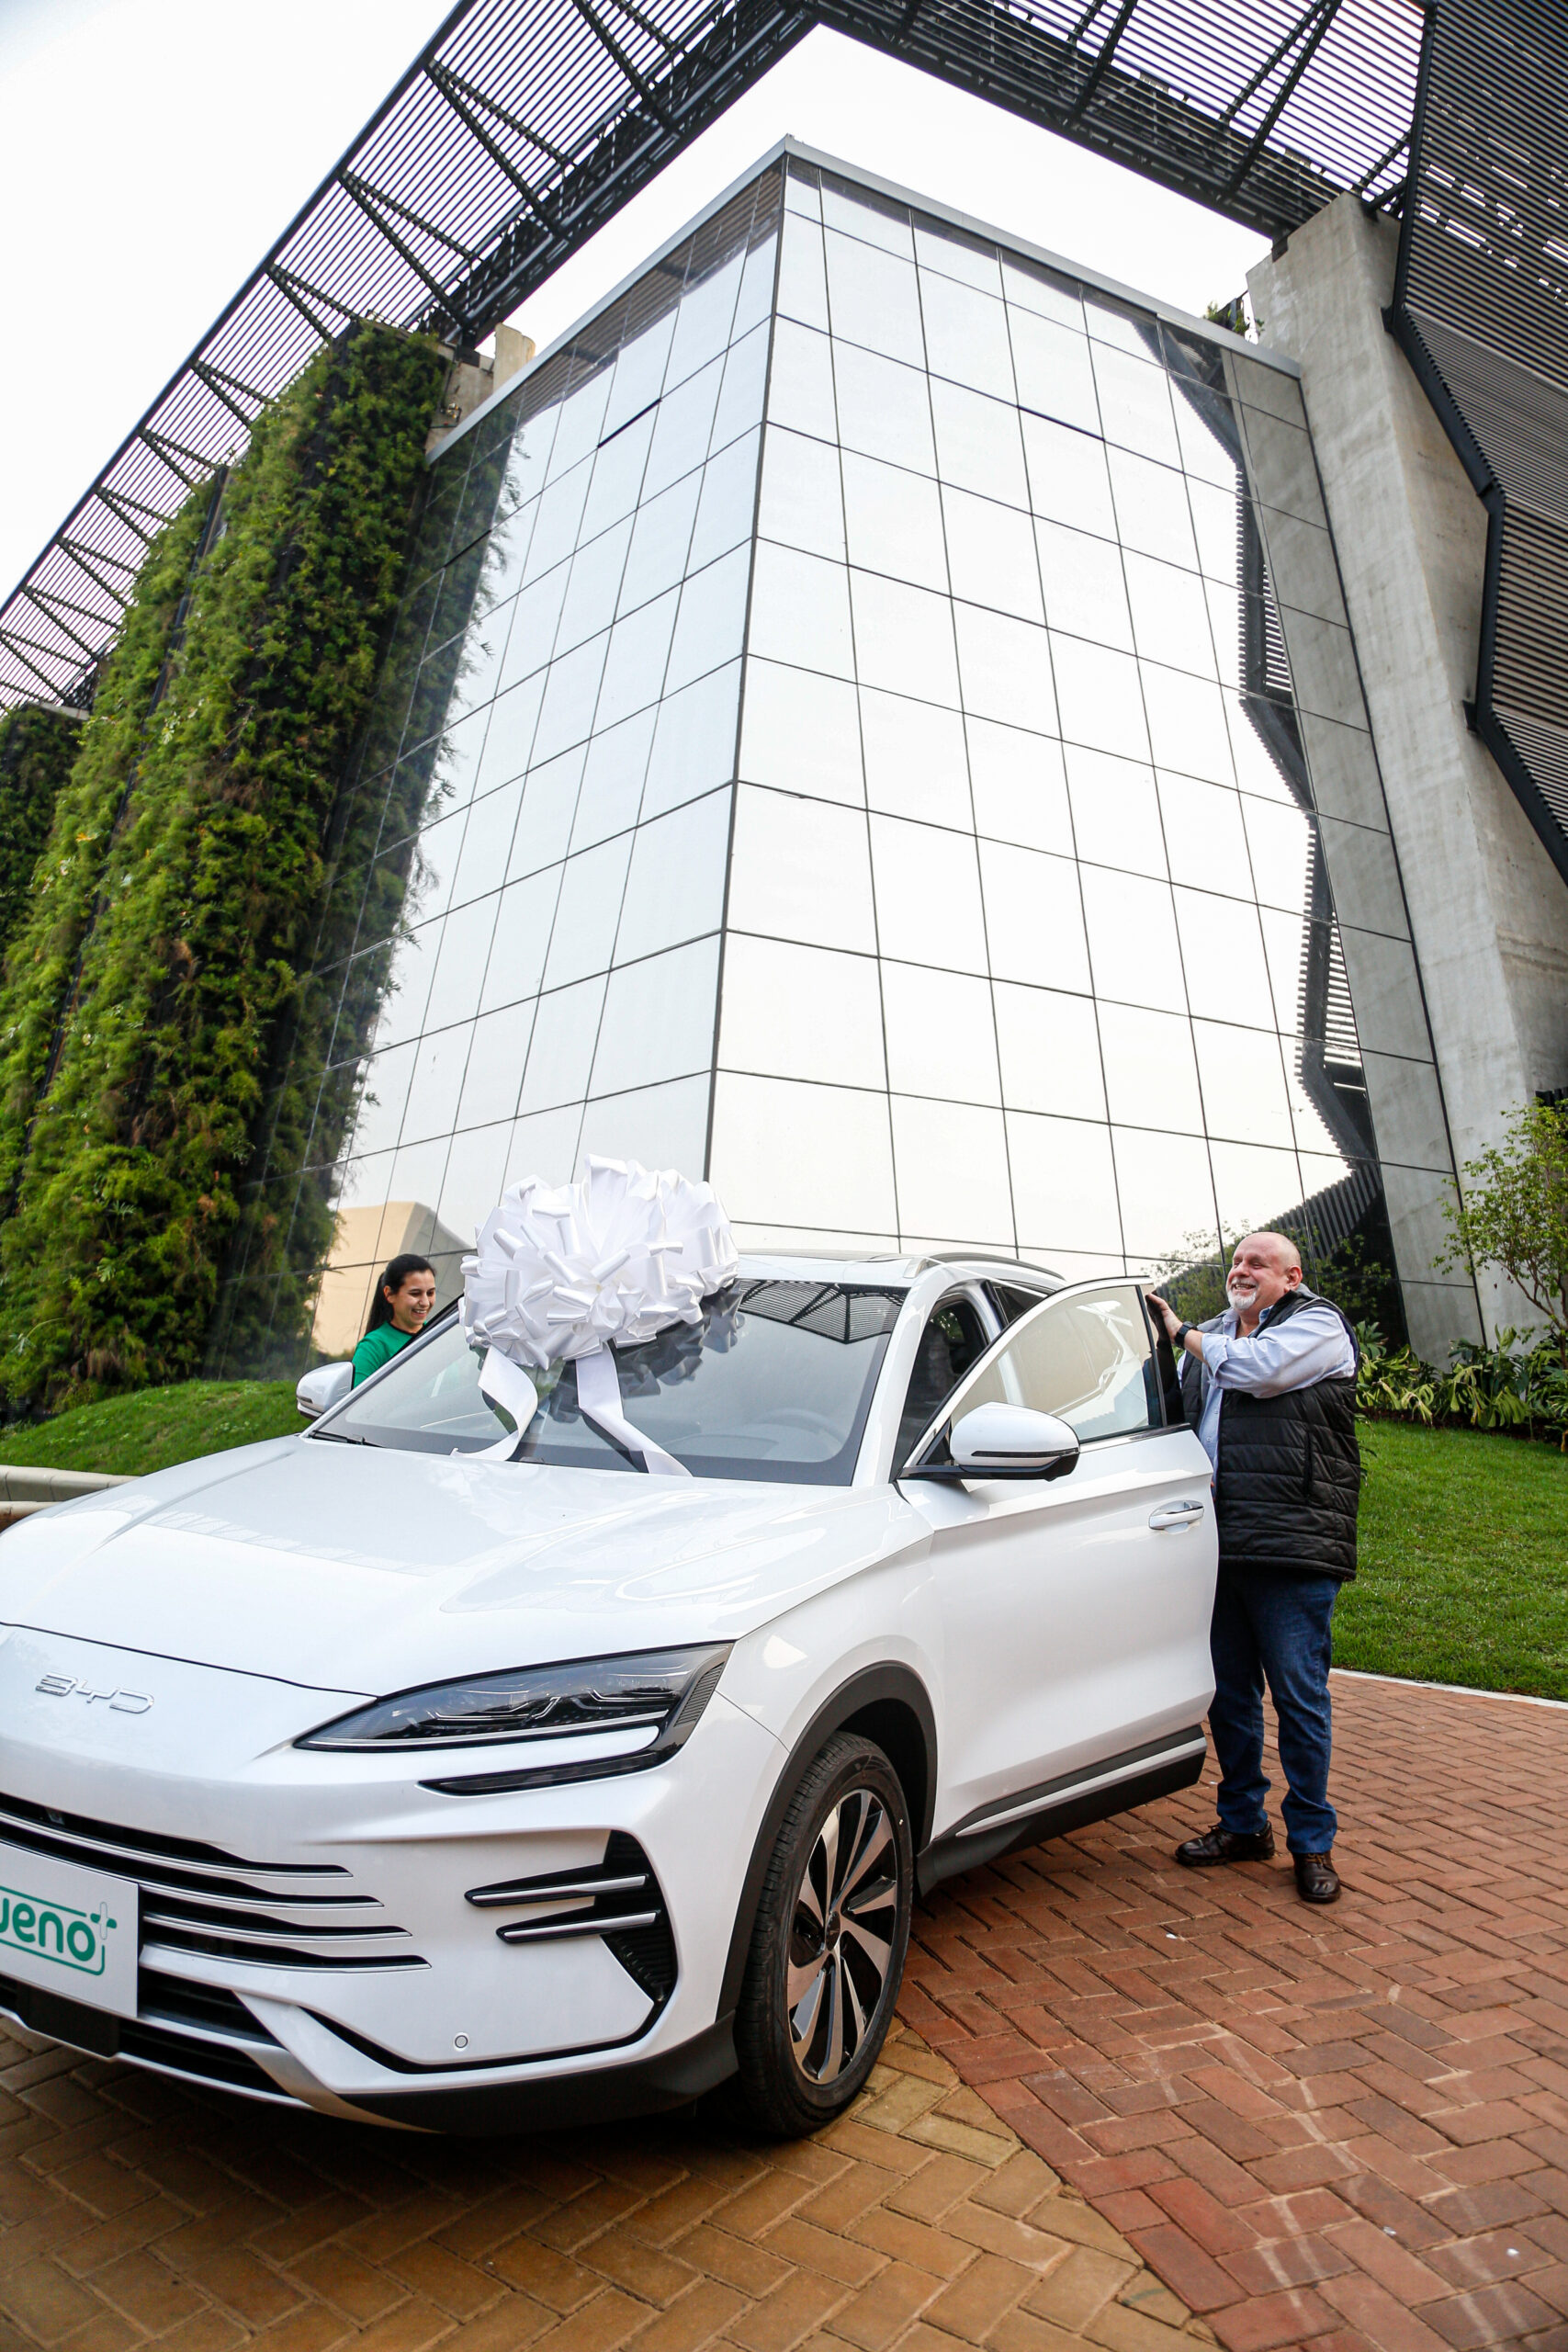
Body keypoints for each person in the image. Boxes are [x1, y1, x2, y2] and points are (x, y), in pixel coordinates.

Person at [1147, 1232, 1359, 1905]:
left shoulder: (1315, 1324)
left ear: (1291, 1276)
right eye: (1236, 1262)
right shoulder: (1206, 1338)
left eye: (1257, 1264)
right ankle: (1242, 1825)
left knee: (1298, 1698)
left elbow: (1257, 1369)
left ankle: (1311, 1844)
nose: (1241, 1271)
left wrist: (1178, 1331)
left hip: (1290, 1543)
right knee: (1228, 1695)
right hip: (1212, 1543)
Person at [352, 1253, 437, 1386]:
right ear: (389, 1294)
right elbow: (356, 1403)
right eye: (415, 1293)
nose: (425, 1302)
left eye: (430, 1293)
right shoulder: (373, 1347)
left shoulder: (439, 1335)